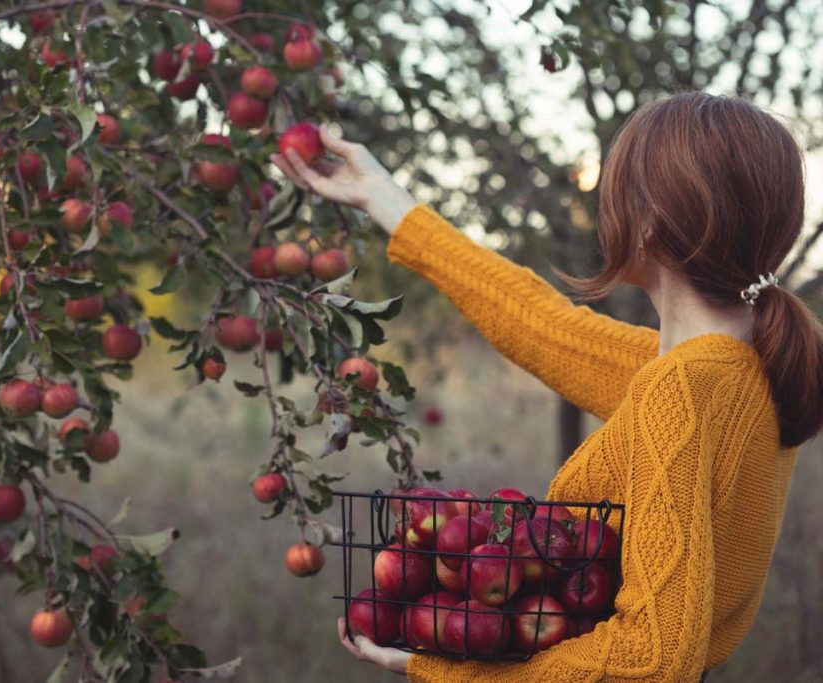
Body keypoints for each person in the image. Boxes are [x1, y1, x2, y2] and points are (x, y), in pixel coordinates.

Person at [271, 91, 823, 682]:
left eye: (616, 192)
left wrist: (455, 674)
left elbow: (651, 658)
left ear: (651, 220)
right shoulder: (742, 365)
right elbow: (544, 328)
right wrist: (384, 199)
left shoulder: (682, 386)